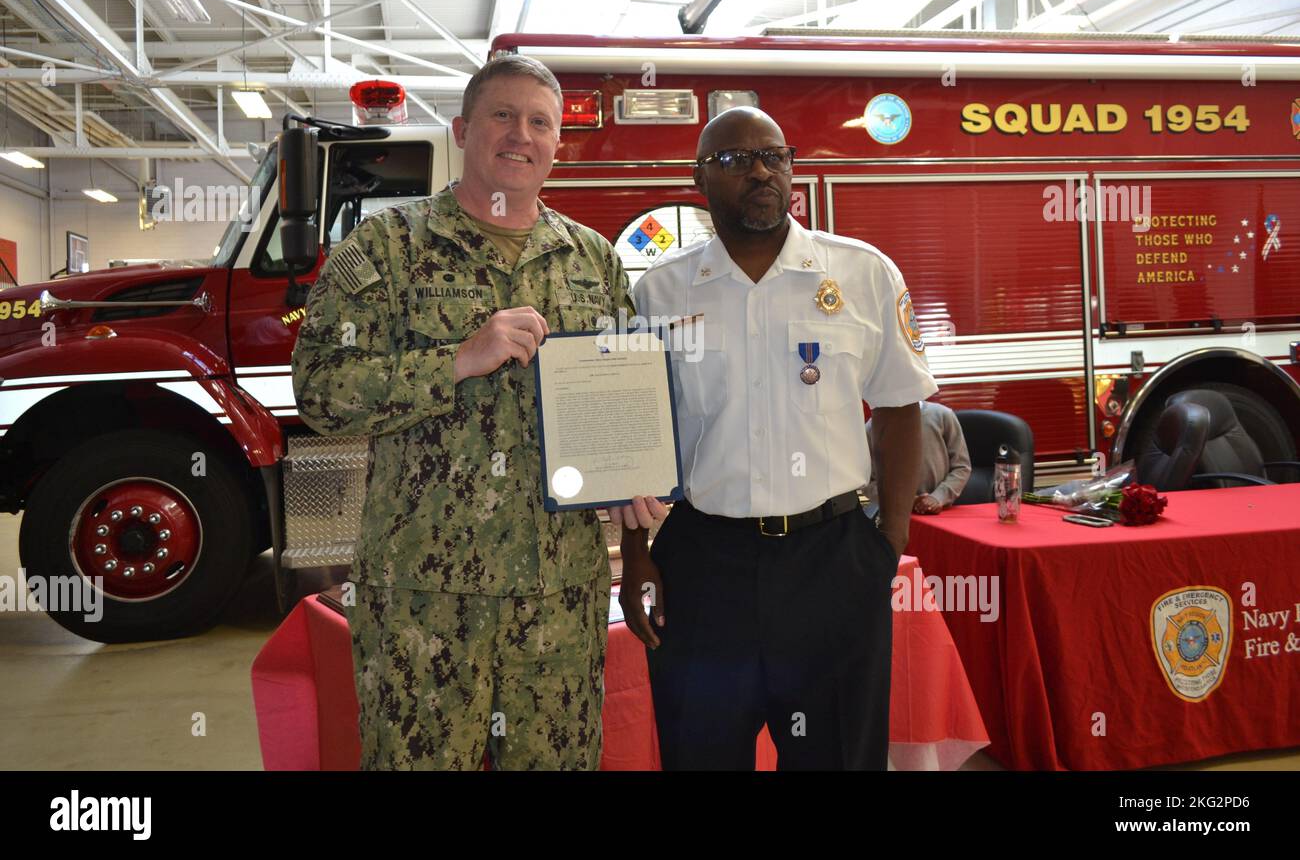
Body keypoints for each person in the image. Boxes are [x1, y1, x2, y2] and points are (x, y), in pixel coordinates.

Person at [292, 54, 665, 770]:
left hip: (559, 592)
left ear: (558, 144)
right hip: (424, 596)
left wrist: (634, 480)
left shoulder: (594, 260)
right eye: (502, 115)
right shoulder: (386, 248)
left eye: (539, 122)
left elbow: (622, 397)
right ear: (463, 129)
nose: (519, 135)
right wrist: (455, 360)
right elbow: (319, 391)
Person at [619, 106, 937, 770]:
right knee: (701, 753)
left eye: (775, 155)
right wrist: (635, 551)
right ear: (698, 180)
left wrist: (892, 536)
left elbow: (902, 405)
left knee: (837, 756)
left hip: (833, 560)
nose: (761, 171)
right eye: (734, 161)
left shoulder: (862, 274)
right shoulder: (662, 291)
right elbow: (637, 430)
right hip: (704, 565)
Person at [866, 400, 971, 514]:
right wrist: (908, 501)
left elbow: (962, 467)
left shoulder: (942, 415)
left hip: (942, 513)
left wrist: (938, 497)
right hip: (893, 515)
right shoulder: (871, 428)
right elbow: (865, 484)